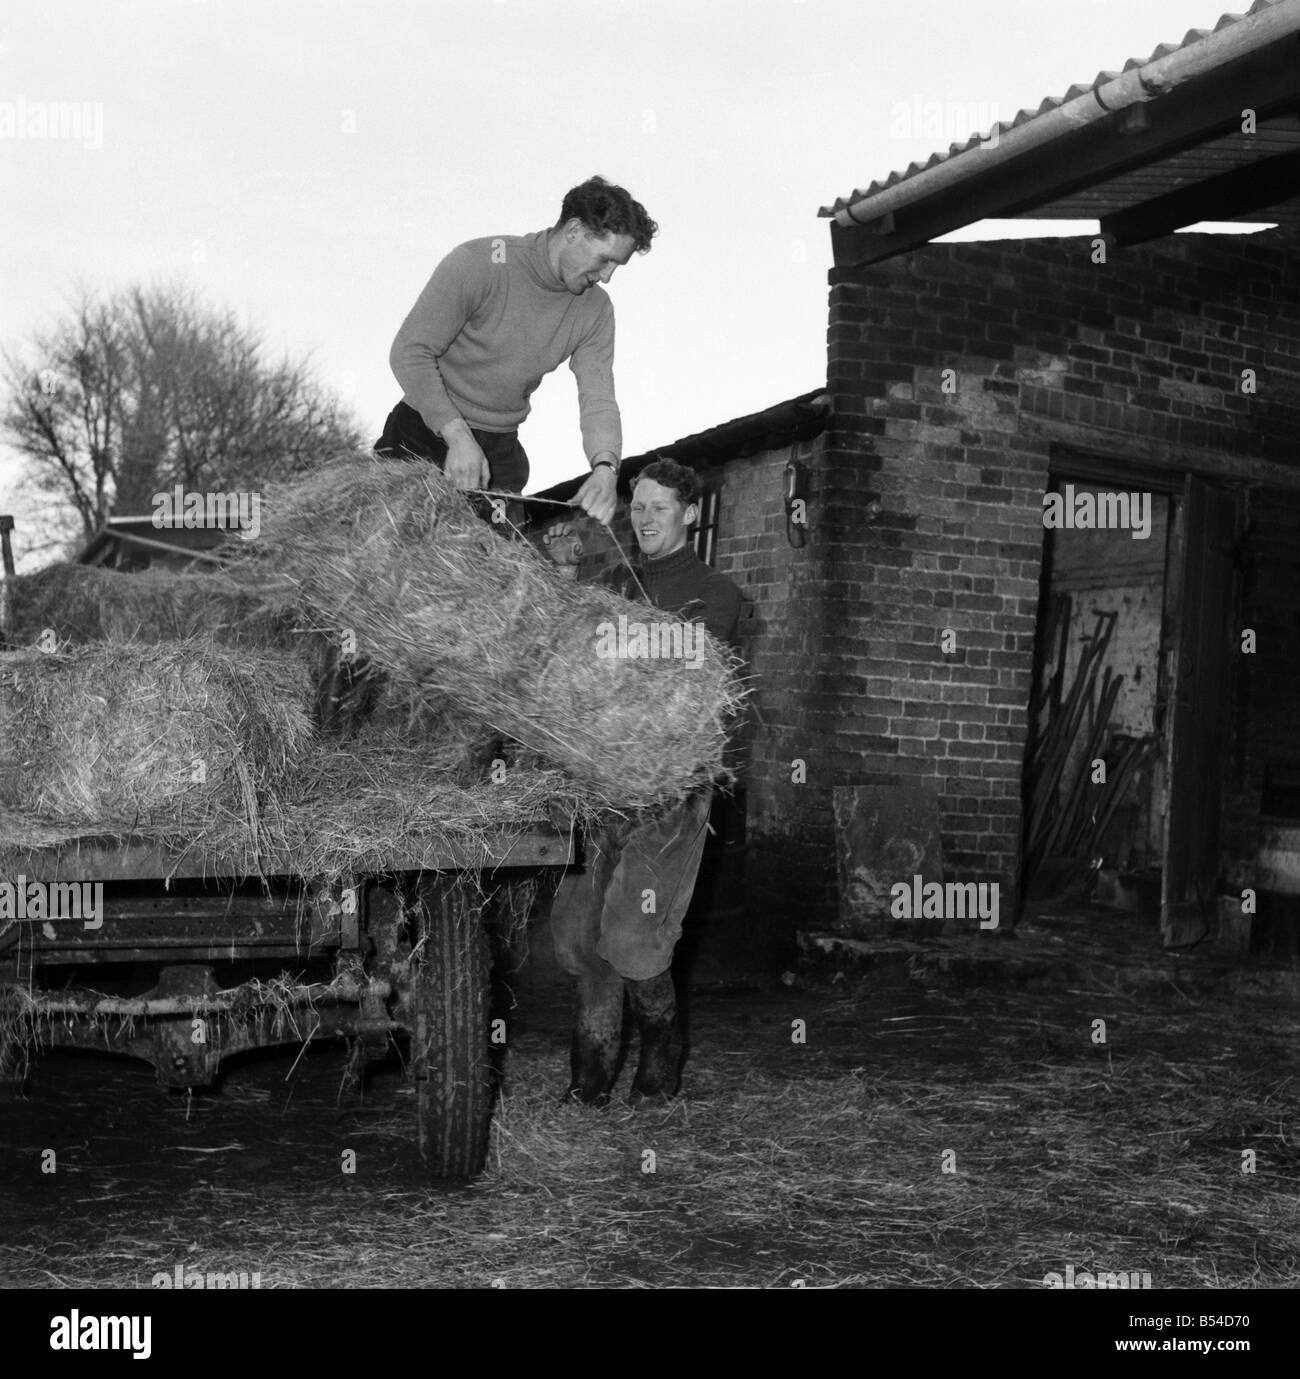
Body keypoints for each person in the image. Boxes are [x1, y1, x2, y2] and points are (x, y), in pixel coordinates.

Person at [541, 459, 743, 1106]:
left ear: (688, 512)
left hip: (673, 789)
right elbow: (572, 653)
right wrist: (567, 582)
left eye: (660, 506)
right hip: (601, 781)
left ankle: (661, 1064)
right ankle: (588, 1080)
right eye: (638, 505)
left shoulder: (719, 593)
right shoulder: (612, 588)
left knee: (632, 938)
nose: (646, 516)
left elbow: (690, 654)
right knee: (578, 938)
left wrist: (610, 636)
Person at [375, 175, 656, 527]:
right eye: (604, 260)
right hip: (423, 430)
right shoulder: (479, 263)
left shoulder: (596, 310)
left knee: (493, 573)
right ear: (573, 231)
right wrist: (457, 435)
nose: (608, 276)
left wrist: (605, 468)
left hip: (500, 448)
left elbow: (598, 397)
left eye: (617, 265)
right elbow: (409, 351)